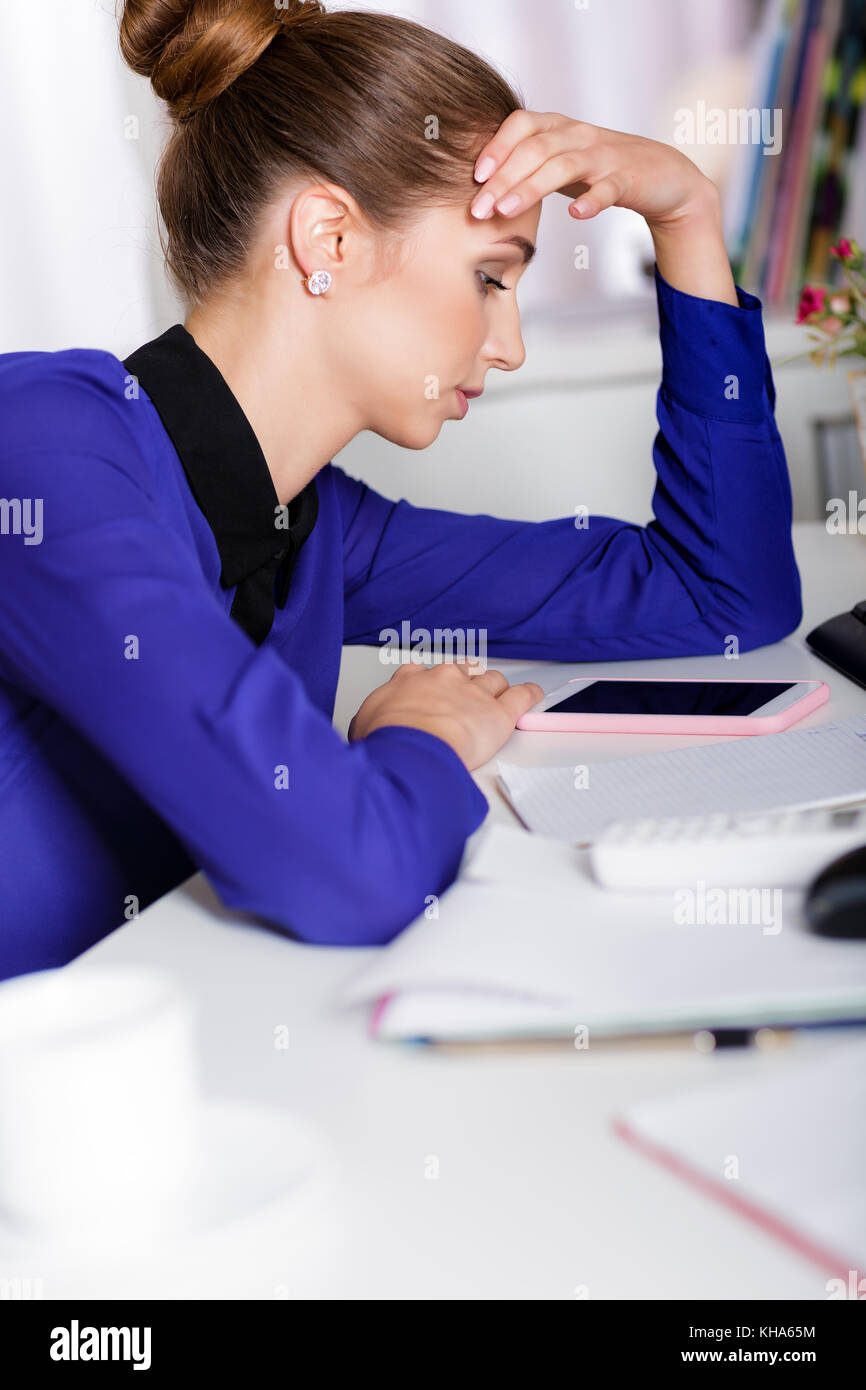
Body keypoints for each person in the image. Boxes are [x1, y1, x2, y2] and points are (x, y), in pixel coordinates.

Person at [0, 0, 801, 979]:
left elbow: (722, 597)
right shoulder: (43, 449)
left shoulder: (315, 526)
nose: (507, 346)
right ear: (329, 240)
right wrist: (420, 736)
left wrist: (684, 217)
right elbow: (352, 872)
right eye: (490, 277)